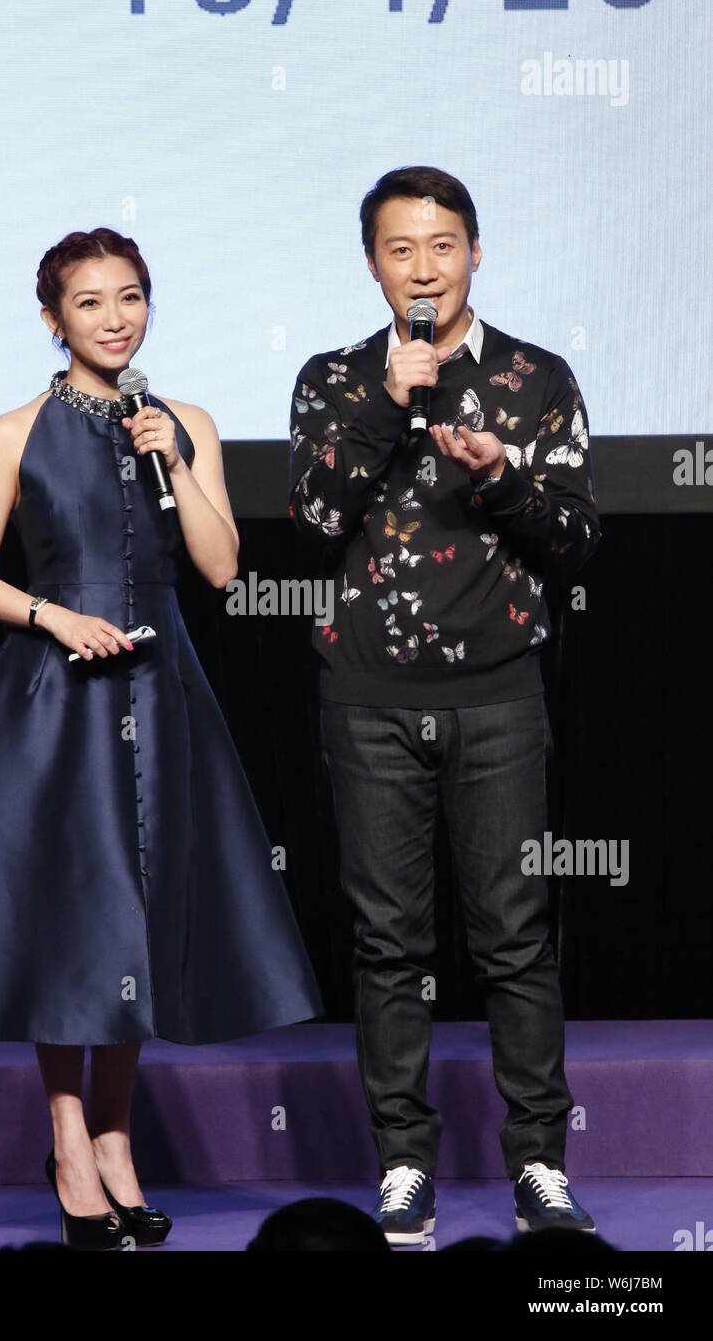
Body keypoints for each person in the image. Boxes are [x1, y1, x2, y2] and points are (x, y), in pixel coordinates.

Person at [0, 227, 323, 1250]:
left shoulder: (186, 422)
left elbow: (218, 569)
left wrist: (175, 456)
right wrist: (52, 616)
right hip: (54, 695)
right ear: (53, 318)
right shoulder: (12, 431)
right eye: (90, 302)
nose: (114, 317)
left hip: (162, 691)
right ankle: (68, 1135)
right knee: (65, 917)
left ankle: (120, 1140)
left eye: (130, 297)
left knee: (139, 919)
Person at [288, 167, 600, 1245]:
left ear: (475, 252)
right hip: (366, 698)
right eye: (399, 250)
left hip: (499, 696)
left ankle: (539, 1167)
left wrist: (500, 476)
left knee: (514, 939)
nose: (422, 269)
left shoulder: (532, 378)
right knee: (386, 943)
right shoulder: (333, 380)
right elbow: (316, 518)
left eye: (441, 246)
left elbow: (573, 539)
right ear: (371, 262)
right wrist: (388, 401)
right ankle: (404, 1163)